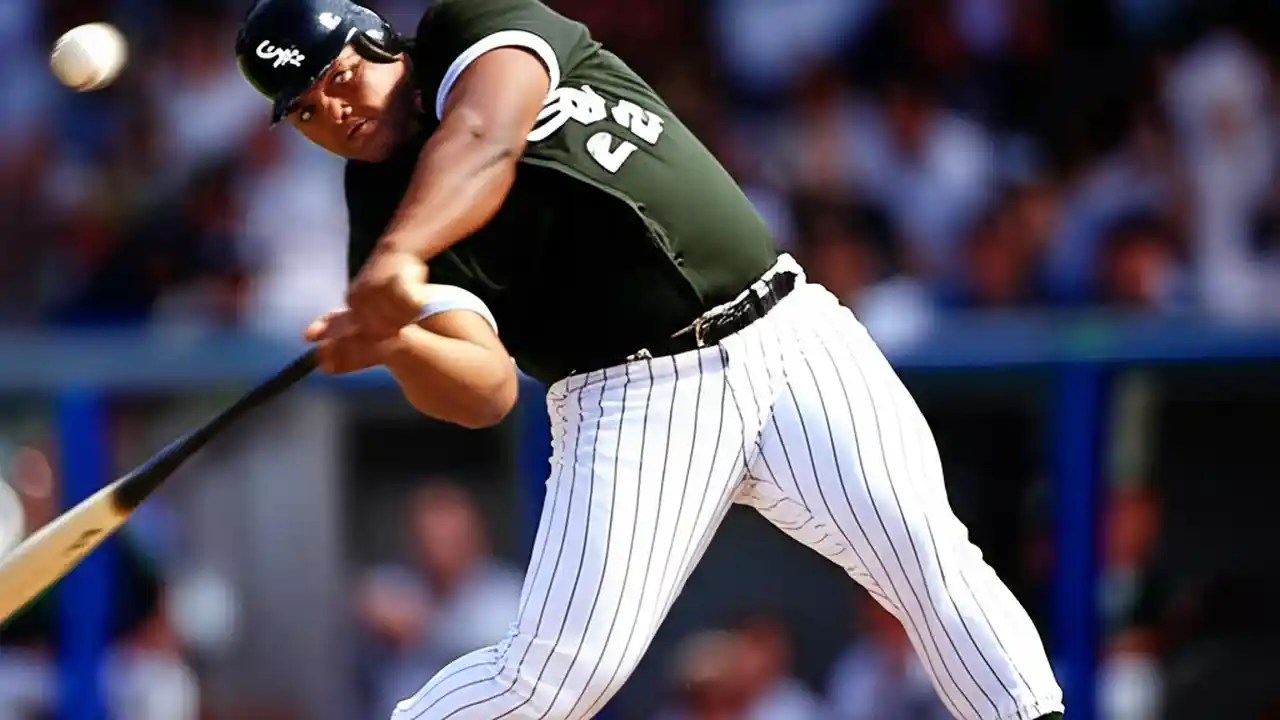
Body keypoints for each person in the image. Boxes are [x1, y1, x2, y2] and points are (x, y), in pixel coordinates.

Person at [232, 0, 1066, 718]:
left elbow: (486, 135)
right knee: (554, 675)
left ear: (381, 43)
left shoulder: (468, 27)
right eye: (305, 110)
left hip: (789, 332)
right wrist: (399, 338)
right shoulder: (379, 222)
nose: (332, 111)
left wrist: (398, 265)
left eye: (337, 77)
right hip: (629, 402)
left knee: (927, 558)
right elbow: (483, 390)